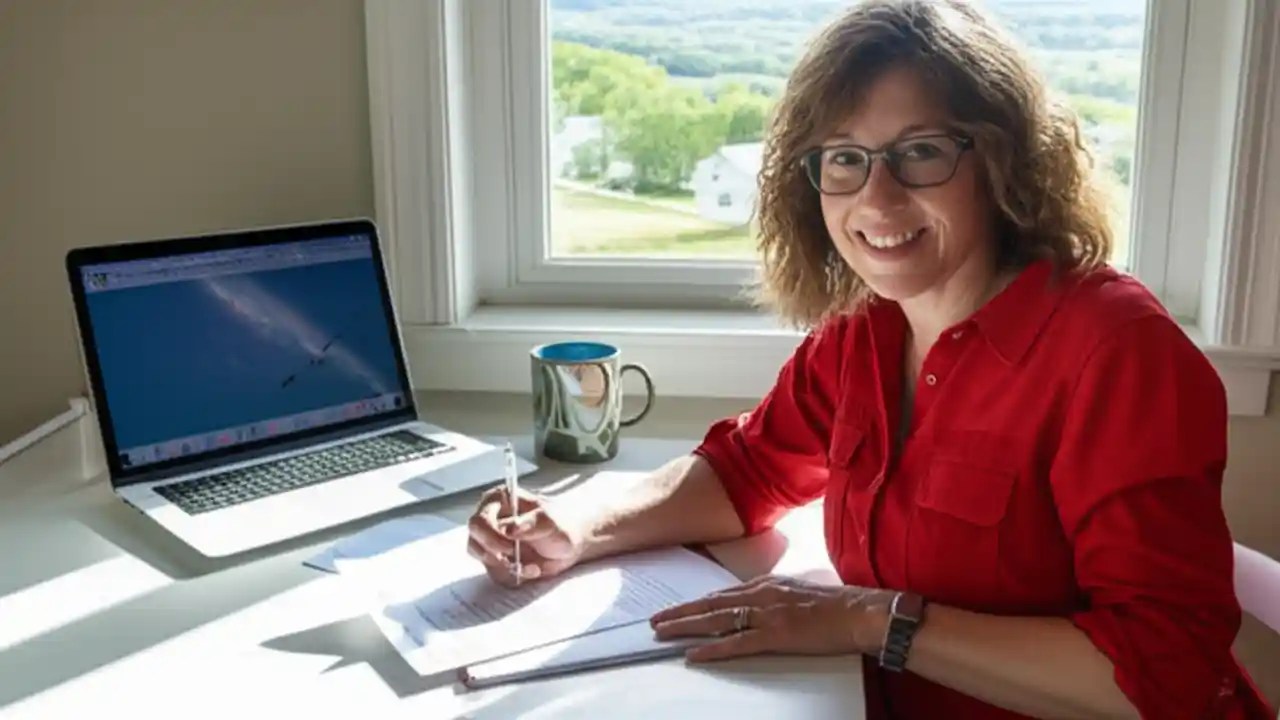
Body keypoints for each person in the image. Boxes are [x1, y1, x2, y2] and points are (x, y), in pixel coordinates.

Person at [466, 1, 1275, 717]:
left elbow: (1159, 677)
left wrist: (870, 618)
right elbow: (749, 470)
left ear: (1002, 162)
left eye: (920, 152)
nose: (877, 200)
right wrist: (575, 525)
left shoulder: (1116, 353)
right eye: (845, 158)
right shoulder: (863, 331)